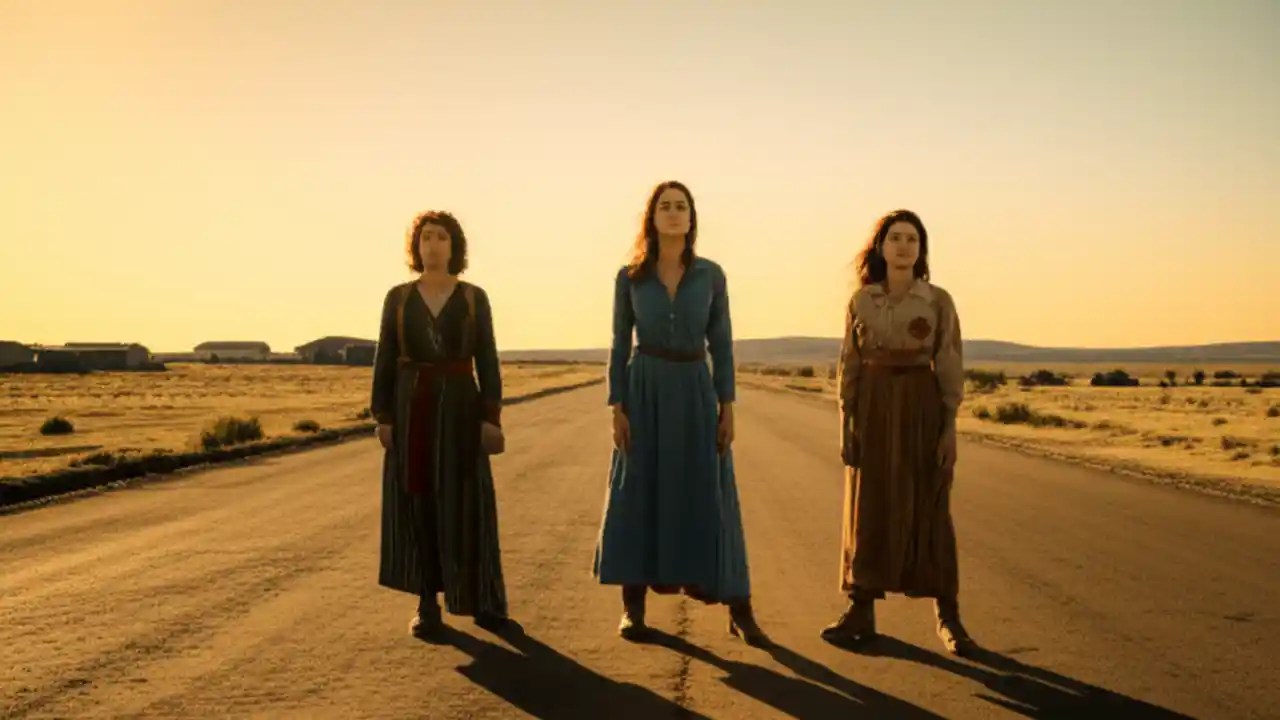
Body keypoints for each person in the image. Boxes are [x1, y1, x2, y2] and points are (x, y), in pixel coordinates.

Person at [592, 180, 769, 647]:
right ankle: (633, 610)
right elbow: (617, 343)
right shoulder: (629, 277)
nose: (674, 213)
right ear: (652, 218)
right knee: (637, 491)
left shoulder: (711, 275)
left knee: (712, 492)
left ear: (692, 219)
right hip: (644, 388)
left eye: (682, 207)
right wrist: (617, 405)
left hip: (694, 389)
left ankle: (739, 607)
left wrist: (727, 405)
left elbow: (723, 344)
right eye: (665, 207)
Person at [821, 208, 977, 656]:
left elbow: (949, 365)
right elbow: (848, 365)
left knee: (930, 505)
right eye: (895, 238)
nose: (904, 246)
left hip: (921, 407)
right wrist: (846, 422)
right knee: (867, 508)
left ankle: (949, 616)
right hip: (871, 406)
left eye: (912, 239)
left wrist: (948, 429)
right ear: (881, 247)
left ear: (922, 249)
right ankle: (860, 611)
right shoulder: (862, 301)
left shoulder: (937, 301)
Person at [371, 209, 510, 639]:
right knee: (419, 505)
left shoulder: (473, 297)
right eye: (426, 237)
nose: (432, 245)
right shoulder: (398, 298)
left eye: (441, 238)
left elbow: (487, 357)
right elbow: (385, 359)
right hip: (412, 408)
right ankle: (426, 601)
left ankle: (481, 599)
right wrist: (384, 417)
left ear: (455, 246)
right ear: (416, 247)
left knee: (467, 502)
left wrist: (491, 417)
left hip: (461, 410)